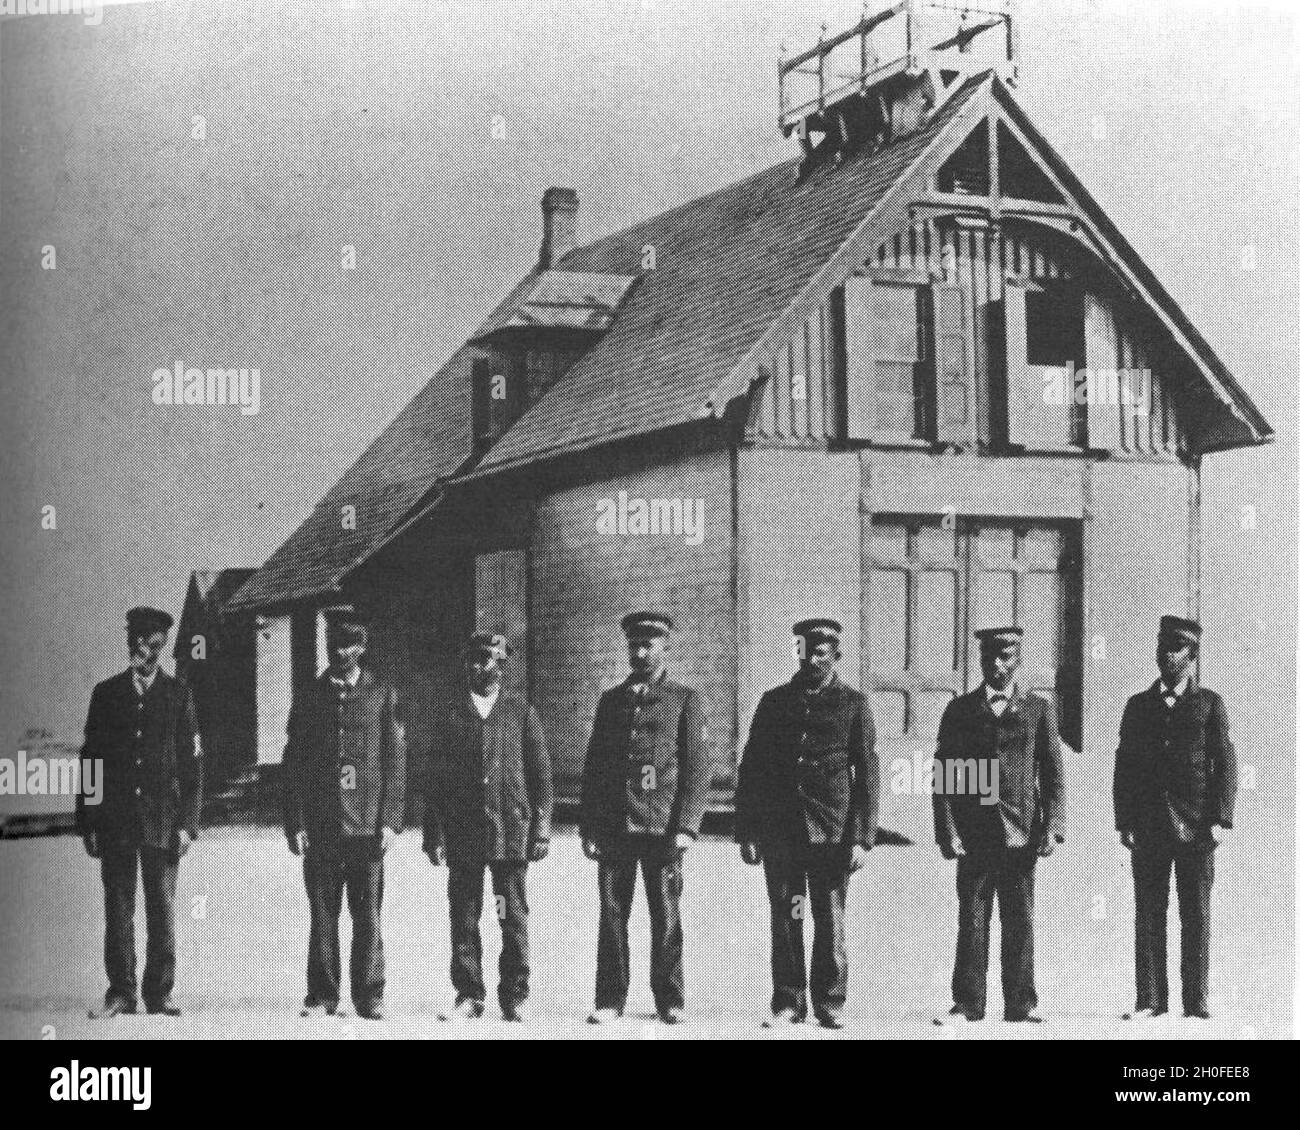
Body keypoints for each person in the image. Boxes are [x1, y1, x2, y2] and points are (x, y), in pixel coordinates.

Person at [735, 618, 878, 1028]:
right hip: (782, 833)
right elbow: (753, 769)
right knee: (788, 914)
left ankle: (830, 1002)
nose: (813, 659)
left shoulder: (853, 704)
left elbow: (867, 773)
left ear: (835, 655)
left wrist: (861, 838)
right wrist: (748, 831)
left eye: (822, 652)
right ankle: (788, 1001)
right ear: (797, 652)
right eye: (806, 650)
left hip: (831, 833)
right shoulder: (775, 702)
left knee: (829, 916)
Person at [580, 612, 710, 1025]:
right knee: (613, 914)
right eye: (634, 645)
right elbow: (596, 767)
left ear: (664, 648)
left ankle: (670, 1000)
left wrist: (687, 825)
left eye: (648, 645)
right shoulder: (612, 701)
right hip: (617, 825)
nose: (640, 653)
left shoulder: (684, 699)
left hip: (663, 826)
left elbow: (697, 767)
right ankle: (610, 999)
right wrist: (590, 827)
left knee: (666, 915)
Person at [932, 627, 1063, 1025]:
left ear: (1018, 660)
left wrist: (1052, 826)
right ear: (982, 661)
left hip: (1022, 833)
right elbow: (946, 776)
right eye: (990, 658)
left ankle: (1021, 1004)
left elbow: (1052, 774)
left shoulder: (1038, 709)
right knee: (972, 919)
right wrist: (948, 830)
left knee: (1019, 919)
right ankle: (967, 1004)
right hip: (975, 836)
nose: (997, 666)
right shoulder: (961, 710)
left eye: (1006, 657)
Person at [77, 606, 202, 1018]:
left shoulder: (178, 694)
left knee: (162, 910)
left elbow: (191, 764)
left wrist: (188, 823)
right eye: (135, 642)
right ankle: (121, 993)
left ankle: (160, 991)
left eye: (149, 644)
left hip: (163, 822)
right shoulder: (106, 694)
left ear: (161, 647)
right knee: (118, 908)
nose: (141, 650)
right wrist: (89, 821)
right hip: (115, 822)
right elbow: (91, 761)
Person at [282, 605, 405, 1021]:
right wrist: (294, 822)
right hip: (321, 826)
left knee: (367, 912)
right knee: (322, 912)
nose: (341, 653)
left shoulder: (382, 694)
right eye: (335, 644)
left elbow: (395, 761)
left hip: (368, 826)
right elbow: (293, 764)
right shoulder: (311, 696)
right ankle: (321, 995)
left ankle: (369, 995)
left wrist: (390, 820)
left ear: (362, 647)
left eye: (350, 645)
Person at [424, 632, 553, 1022]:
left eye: (490, 660)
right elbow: (436, 783)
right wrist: (435, 834)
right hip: (464, 838)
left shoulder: (520, 713)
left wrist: (541, 828)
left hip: (507, 837)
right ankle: (468, 994)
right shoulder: (449, 714)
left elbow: (541, 778)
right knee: (465, 915)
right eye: (475, 660)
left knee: (507, 913)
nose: (481, 667)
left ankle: (515, 994)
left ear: (503, 665)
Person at [1114, 615, 1235, 1021]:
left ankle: (1196, 1004)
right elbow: (1124, 766)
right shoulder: (1138, 706)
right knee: (1148, 912)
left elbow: (1225, 765)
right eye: (1163, 646)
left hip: (1197, 827)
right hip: (1148, 826)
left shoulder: (1209, 704)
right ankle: (1150, 1000)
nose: (1168, 655)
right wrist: (1124, 820)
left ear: (1192, 656)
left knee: (1195, 916)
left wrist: (1219, 818)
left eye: (1177, 648)